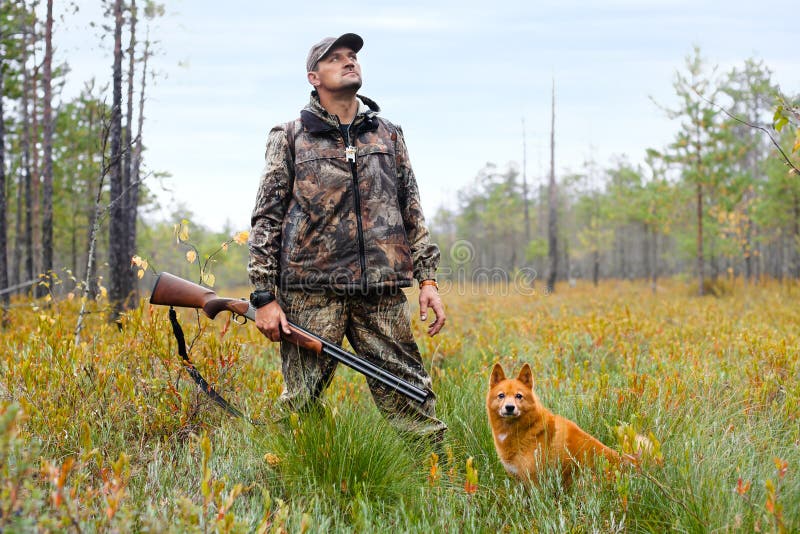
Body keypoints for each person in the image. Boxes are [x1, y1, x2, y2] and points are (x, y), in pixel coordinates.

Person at [247, 33, 447, 444]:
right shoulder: (289, 137)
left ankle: (438, 484)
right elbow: (266, 216)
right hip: (311, 292)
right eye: (335, 58)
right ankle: (300, 482)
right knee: (301, 403)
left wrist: (428, 281)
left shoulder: (388, 134)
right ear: (313, 76)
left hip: (382, 291)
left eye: (352, 56)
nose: (348, 61)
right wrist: (263, 296)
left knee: (413, 398)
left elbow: (411, 208)